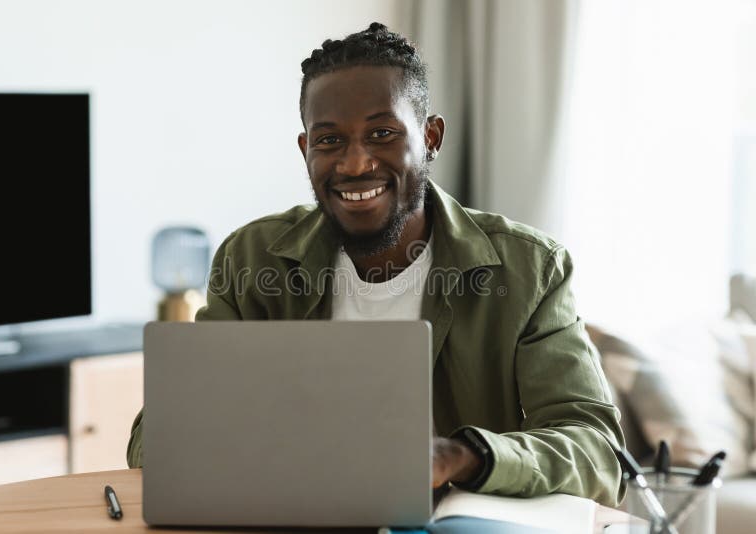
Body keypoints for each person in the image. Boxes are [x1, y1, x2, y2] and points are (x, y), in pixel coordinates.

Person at [128, 22, 625, 507]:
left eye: (382, 133)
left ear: (430, 137)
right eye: (329, 140)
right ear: (306, 150)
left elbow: (599, 453)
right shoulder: (251, 260)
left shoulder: (530, 268)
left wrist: (462, 457)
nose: (354, 164)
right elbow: (155, 440)